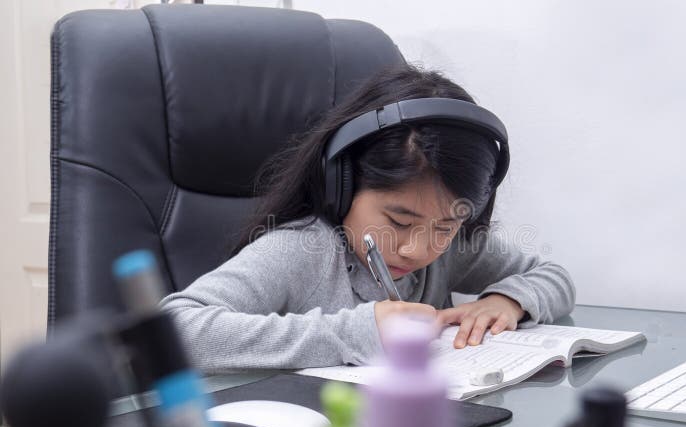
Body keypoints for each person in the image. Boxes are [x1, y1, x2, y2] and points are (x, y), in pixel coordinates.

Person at [159, 64, 575, 373]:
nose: (417, 249)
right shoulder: (301, 249)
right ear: (342, 184)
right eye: (398, 221)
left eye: (445, 227)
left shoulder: (449, 248)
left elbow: (552, 275)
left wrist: (509, 301)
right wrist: (355, 332)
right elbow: (171, 330)